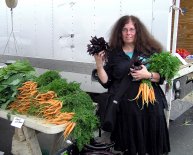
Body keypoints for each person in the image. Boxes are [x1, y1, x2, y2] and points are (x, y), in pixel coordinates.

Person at [93, 15, 170, 155]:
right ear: (119, 32)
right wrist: (99, 64)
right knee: (131, 147)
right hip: (127, 109)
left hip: (150, 105)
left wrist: (148, 75)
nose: (128, 33)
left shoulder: (150, 50)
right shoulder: (114, 54)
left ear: (138, 31)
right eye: (124, 30)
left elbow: (162, 77)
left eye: (132, 29)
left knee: (151, 144)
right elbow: (106, 82)